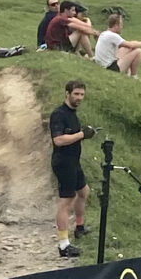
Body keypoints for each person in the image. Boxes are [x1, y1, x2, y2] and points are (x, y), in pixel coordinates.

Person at [49, 79, 96, 257]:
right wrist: (82, 134)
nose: (79, 98)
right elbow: (58, 140)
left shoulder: (72, 114)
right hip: (63, 162)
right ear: (67, 94)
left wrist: (84, 133)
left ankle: (80, 227)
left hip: (73, 161)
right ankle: (63, 245)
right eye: (76, 94)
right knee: (65, 201)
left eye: (82, 94)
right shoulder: (59, 114)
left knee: (83, 192)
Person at [93, 11, 141, 78]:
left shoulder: (104, 33)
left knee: (125, 48)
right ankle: (134, 76)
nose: (122, 27)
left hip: (102, 64)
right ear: (116, 25)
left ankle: (128, 73)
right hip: (109, 68)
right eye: (121, 25)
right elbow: (131, 45)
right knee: (138, 51)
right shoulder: (113, 35)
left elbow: (129, 44)